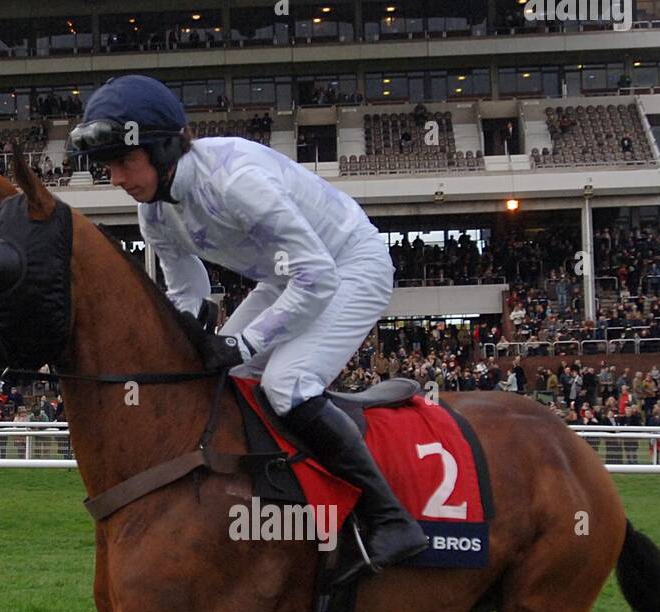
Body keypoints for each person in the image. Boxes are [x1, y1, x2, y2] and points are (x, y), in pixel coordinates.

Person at [68, 74, 428, 578]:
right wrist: (188, 347)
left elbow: (317, 275)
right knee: (224, 384)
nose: (116, 179)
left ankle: (390, 519)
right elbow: (187, 294)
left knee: (288, 385)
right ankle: (267, 510)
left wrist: (243, 343)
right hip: (286, 276)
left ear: (165, 149)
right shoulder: (154, 211)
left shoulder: (235, 180)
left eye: (124, 162)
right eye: (107, 167)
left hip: (347, 265)